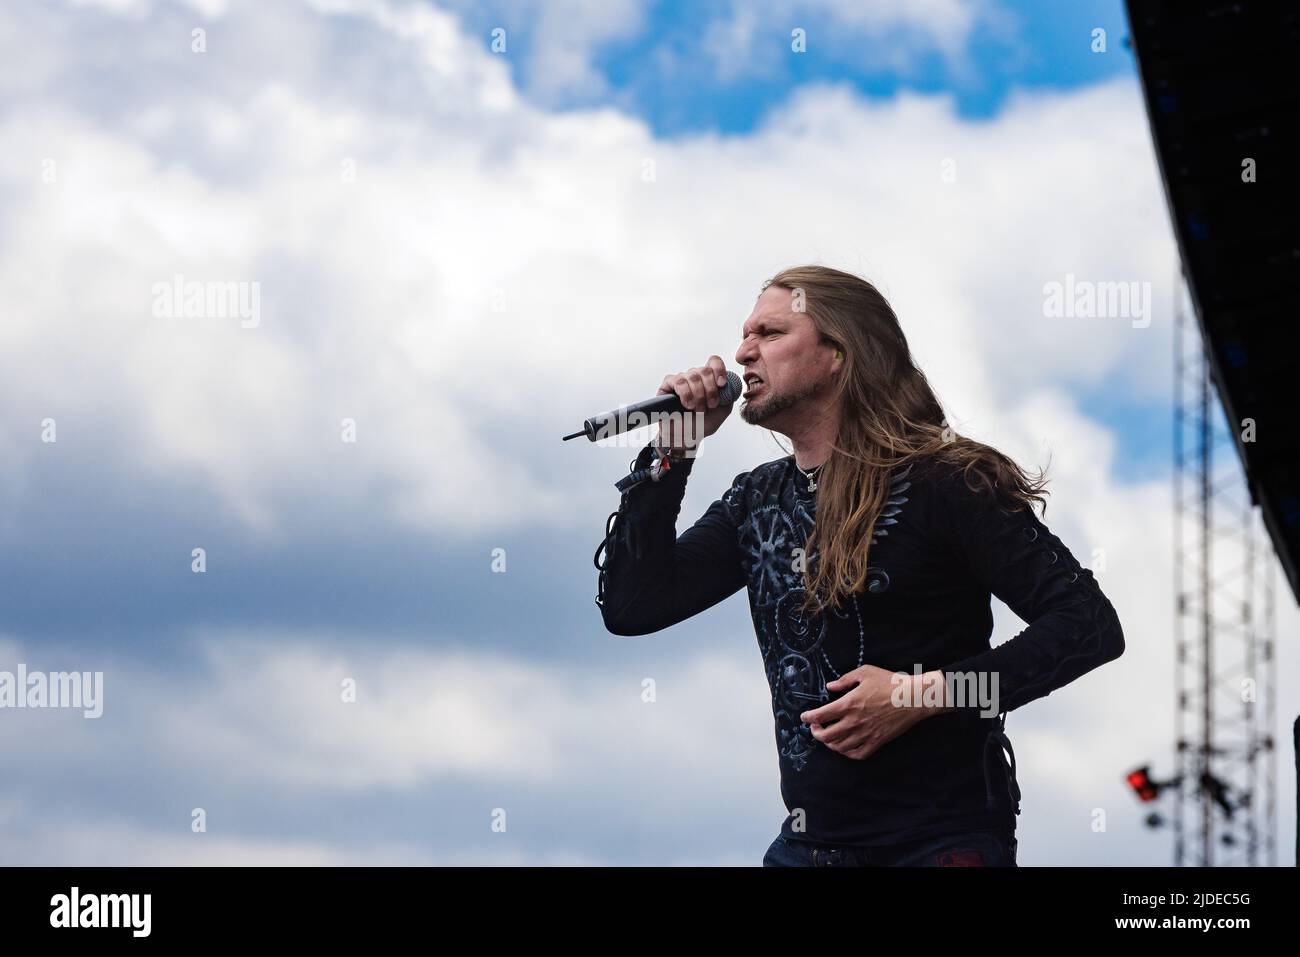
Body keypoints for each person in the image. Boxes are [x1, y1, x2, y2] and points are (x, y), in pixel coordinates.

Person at [594, 265, 1126, 867]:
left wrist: (923, 693)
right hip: (809, 847)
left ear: (838, 353)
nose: (742, 353)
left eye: (769, 333)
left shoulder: (948, 482)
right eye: (746, 335)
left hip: (939, 842)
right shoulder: (757, 499)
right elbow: (634, 607)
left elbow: (1089, 626)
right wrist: (673, 449)